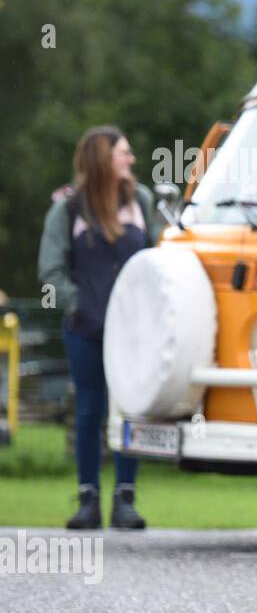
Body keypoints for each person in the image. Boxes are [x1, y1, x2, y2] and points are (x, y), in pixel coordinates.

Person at [37, 126, 162, 530]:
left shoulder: (141, 201)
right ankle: (87, 498)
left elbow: (162, 257)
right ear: (102, 158)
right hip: (85, 330)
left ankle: (125, 499)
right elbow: (50, 272)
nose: (131, 160)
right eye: (124, 153)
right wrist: (77, 306)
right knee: (89, 410)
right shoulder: (69, 209)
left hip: (135, 332)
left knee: (131, 410)